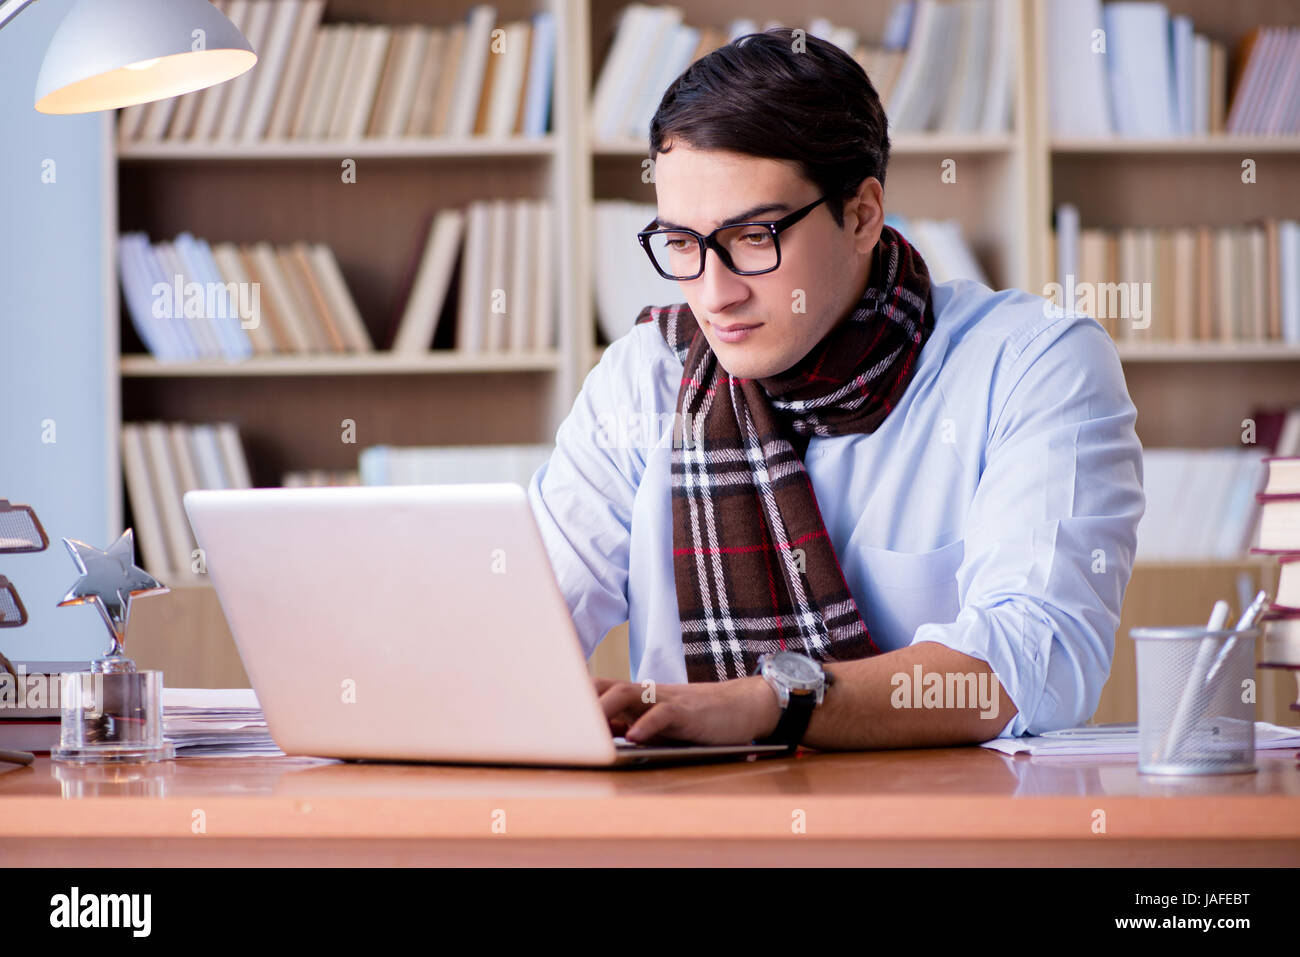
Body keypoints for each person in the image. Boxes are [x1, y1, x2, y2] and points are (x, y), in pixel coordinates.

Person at [527, 28, 1145, 752]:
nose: (713, 293)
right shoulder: (647, 375)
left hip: (948, 835)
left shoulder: (1032, 364)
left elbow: (1035, 658)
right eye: (682, 245)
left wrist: (773, 702)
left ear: (861, 214)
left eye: (754, 237)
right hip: (692, 835)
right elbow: (519, 628)